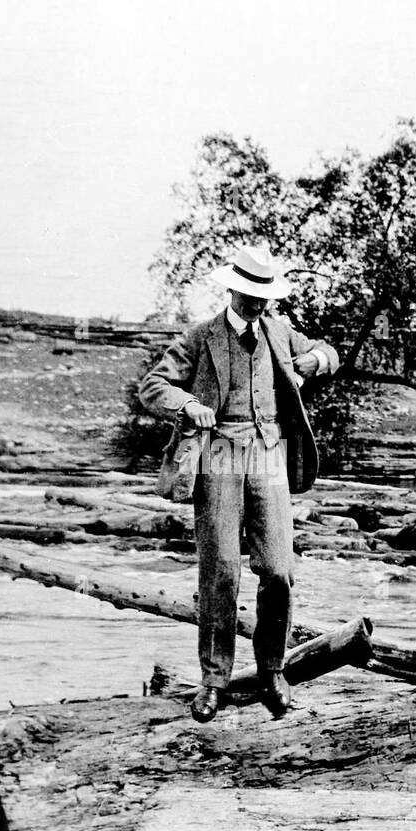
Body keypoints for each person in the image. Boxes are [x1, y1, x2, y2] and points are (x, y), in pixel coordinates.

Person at [139, 242, 340, 721]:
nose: (256, 303)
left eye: (264, 295)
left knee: (277, 569)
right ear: (231, 289)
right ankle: (214, 681)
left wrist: (316, 362)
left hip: (270, 456)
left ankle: (272, 668)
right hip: (219, 457)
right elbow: (153, 386)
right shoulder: (200, 337)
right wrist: (187, 405)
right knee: (222, 571)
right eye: (249, 293)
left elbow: (326, 352)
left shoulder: (279, 330)